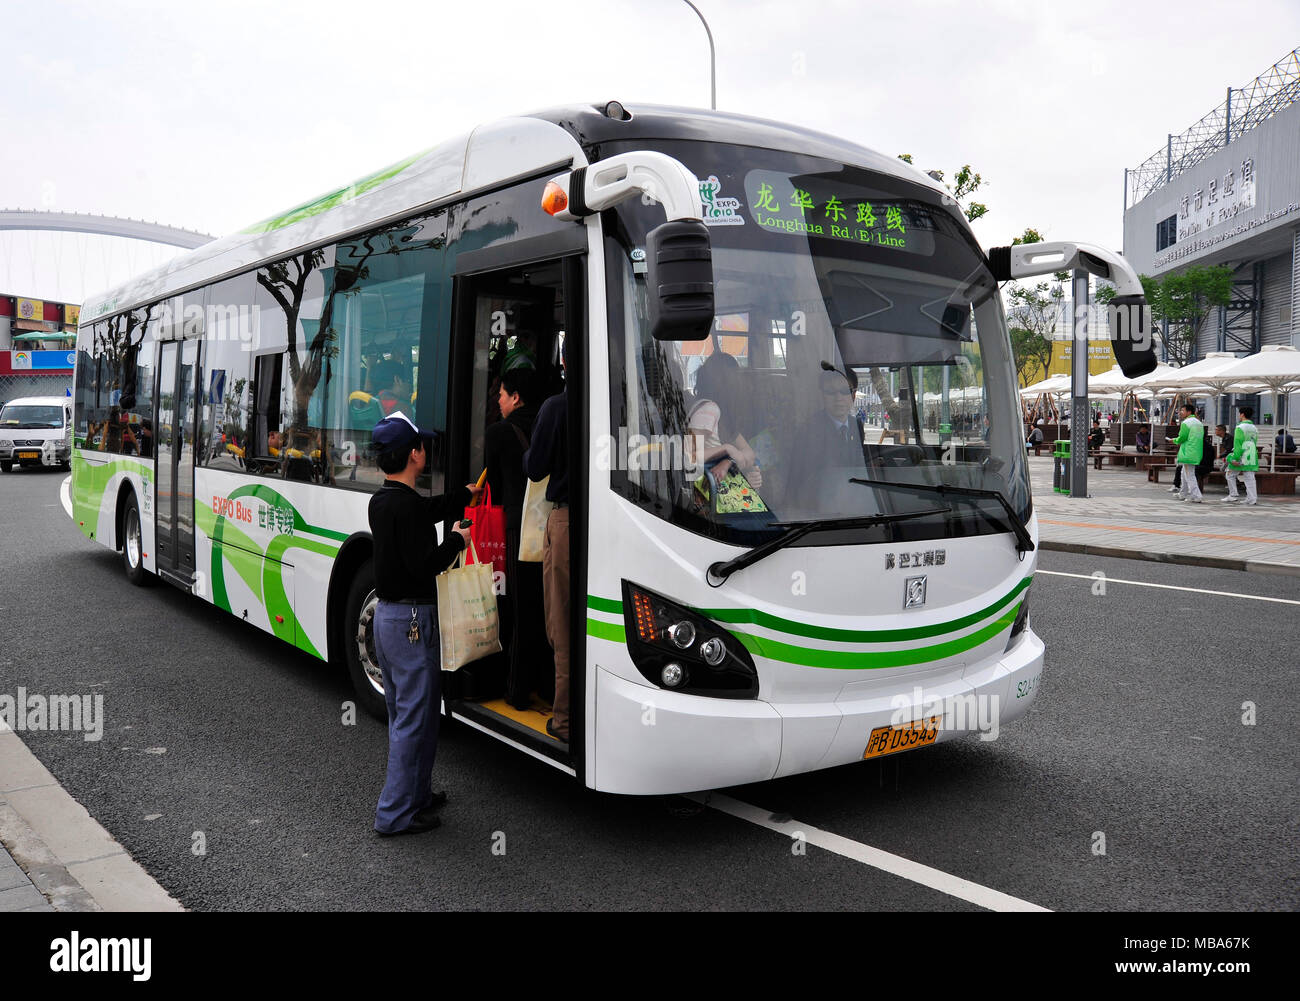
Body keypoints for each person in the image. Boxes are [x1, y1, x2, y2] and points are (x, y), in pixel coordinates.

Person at [368, 411, 478, 837]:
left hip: (389, 619)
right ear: (414, 455)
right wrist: (458, 539)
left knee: (409, 713)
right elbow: (427, 566)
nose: (425, 449)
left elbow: (421, 509)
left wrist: (460, 496)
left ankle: (417, 795)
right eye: (421, 445)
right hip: (414, 621)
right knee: (415, 719)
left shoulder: (383, 501)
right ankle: (394, 814)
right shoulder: (408, 509)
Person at [483, 368, 551, 710]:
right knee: (546, 605)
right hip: (550, 526)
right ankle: (548, 684)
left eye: (502, 394)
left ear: (515, 397)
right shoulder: (548, 422)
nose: (498, 399)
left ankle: (517, 689)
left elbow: (493, 483)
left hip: (515, 528)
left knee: (517, 608)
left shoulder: (498, 432)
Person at [524, 346, 571, 743]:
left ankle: (565, 720)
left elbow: (536, 467)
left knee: (561, 620)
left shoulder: (555, 408)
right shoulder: (624, 399)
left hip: (567, 522)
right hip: (612, 518)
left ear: (564, 364)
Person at [1223, 406, 1259, 506]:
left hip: (1241, 455)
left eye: (1239, 414)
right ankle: (1252, 499)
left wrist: (1235, 457)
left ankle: (1233, 494)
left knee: (1230, 474)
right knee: (1250, 478)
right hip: (1251, 454)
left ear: (1242, 414)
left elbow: (1237, 444)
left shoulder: (1240, 428)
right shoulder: (1254, 428)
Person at [1171, 403, 1204, 503]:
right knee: (1183, 473)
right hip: (1196, 451)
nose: (1180, 412)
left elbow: (1182, 437)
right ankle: (1183, 493)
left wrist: (1174, 440)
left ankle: (1196, 496)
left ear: (1189, 412)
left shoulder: (1186, 423)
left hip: (1188, 451)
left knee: (1190, 474)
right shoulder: (1199, 423)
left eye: (1182, 410)